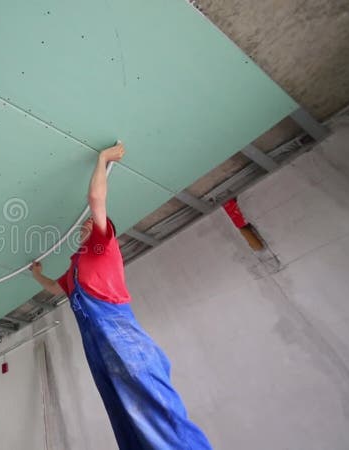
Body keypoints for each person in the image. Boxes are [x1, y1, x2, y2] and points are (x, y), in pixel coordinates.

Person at [30, 142, 212, 449]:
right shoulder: (75, 270)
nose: (88, 223)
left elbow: (95, 199)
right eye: (86, 224)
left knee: (155, 408)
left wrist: (102, 159)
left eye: (95, 223)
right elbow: (54, 289)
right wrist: (36, 273)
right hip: (97, 345)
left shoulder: (100, 249)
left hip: (122, 335)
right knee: (124, 416)